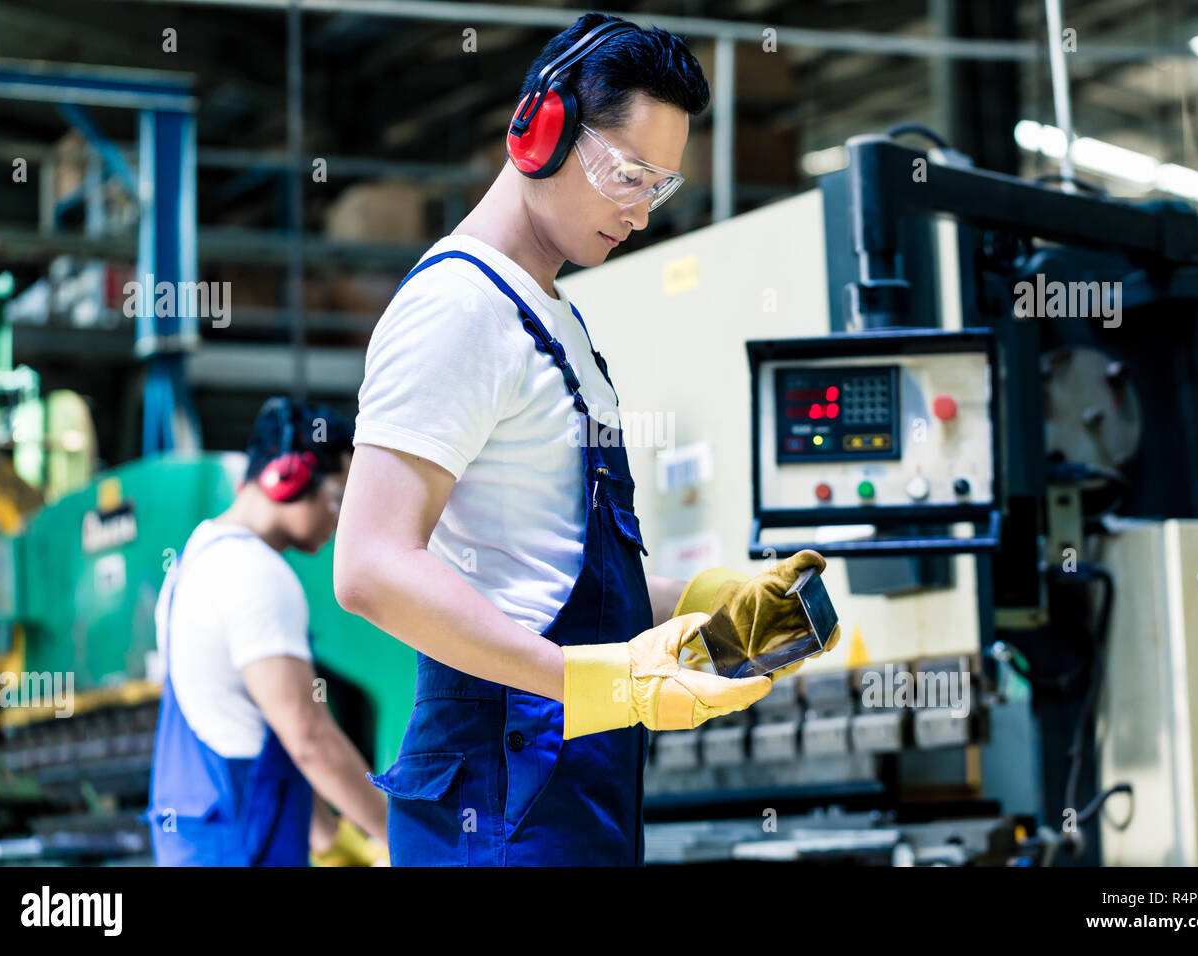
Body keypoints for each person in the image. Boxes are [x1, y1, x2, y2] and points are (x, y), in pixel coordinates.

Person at [334, 14, 839, 867]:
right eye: (630, 176)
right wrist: (594, 684)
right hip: (499, 791)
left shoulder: (556, 320)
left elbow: (557, 571)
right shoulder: (458, 309)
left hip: (572, 778)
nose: (640, 215)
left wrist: (706, 600)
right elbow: (370, 568)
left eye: (660, 188)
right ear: (542, 131)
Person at [147, 397, 387, 866]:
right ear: (288, 478)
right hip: (241, 848)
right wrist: (398, 834)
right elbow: (308, 737)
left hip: (202, 840)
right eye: (337, 499)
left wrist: (328, 838)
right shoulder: (254, 572)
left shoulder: (192, 563)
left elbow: (255, 731)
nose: (340, 520)